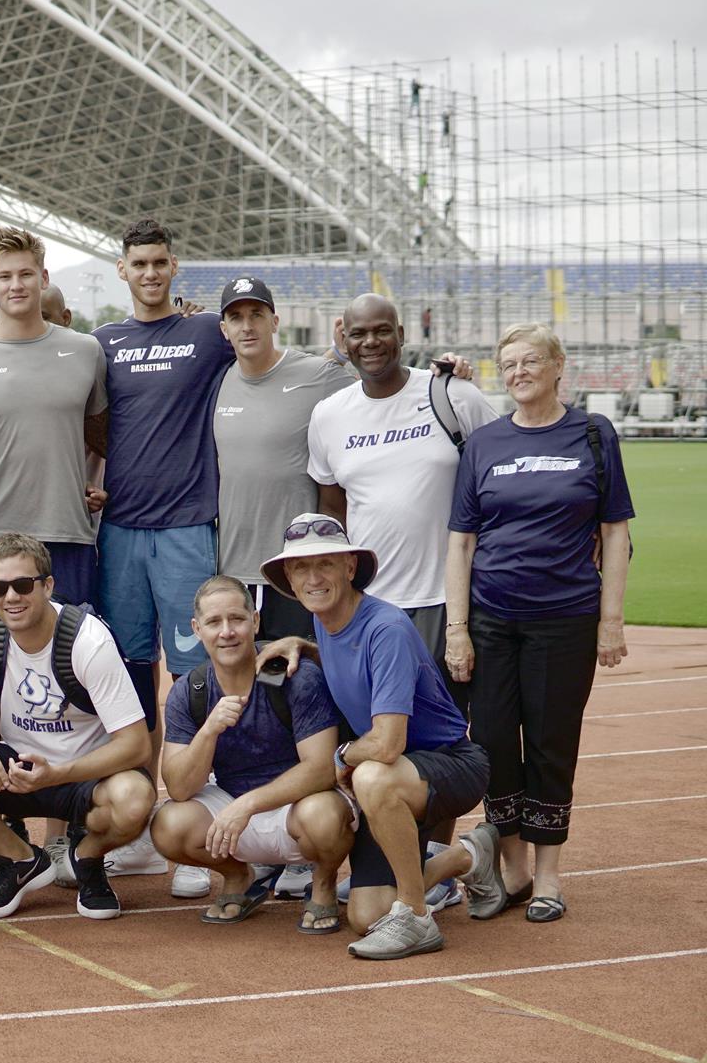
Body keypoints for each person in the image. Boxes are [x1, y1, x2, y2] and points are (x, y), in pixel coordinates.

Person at [445, 323, 634, 924]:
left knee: (552, 744)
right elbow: (461, 543)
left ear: (558, 366)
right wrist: (457, 627)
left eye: (531, 361)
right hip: (493, 618)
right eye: (509, 364)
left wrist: (612, 621)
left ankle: (549, 876)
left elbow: (615, 531)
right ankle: (514, 871)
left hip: (567, 619)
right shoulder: (486, 444)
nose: (520, 372)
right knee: (495, 742)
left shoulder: (594, 434)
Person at [0, 227, 108, 895]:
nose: (16, 284)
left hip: (69, 538)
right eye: (3, 275)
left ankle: (65, 837)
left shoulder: (86, 351)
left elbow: (103, 434)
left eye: (27, 273)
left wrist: (103, 482)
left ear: (43, 277)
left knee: (72, 690)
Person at [258, 514, 500, 959]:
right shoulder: (323, 619)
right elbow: (349, 655)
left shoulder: (385, 628)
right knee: (366, 915)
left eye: (325, 564)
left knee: (369, 774)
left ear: (350, 568)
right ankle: (467, 856)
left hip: (448, 765)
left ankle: (415, 917)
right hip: (394, 779)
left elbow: (387, 744)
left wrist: (342, 757)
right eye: (300, 568)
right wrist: (302, 646)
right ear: (288, 577)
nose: (313, 578)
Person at [89, 218, 233, 897]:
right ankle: (143, 831)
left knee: (196, 681)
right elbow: (88, 420)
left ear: (176, 267)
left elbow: (266, 358)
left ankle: (198, 832)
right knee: (128, 684)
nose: (149, 272)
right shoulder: (102, 343)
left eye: (159, 262)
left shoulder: (207, 334)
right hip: (119, 530)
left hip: (185, 530)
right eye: (137, 263)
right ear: (122, 270)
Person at [0, 535, 153, 921]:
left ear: (48, 586)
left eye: (22, 585)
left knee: (135, 798)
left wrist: (60, 774)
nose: (10, 597)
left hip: (81, 775)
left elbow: (136, 745)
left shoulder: (89, 639)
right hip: (15, 771)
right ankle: (19, 858)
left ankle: (87, 858)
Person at [306, 293, 498, 695]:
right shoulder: (328, 414)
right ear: (345, 342)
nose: (370, 342)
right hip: (370, 603)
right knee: (380, 722)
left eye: (382, 331)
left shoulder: (453, 394)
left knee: (455, 726)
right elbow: (332, 507)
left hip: (450, 601)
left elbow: (504, 473)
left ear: (402, 335)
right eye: (358, 333)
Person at [149, 577, 356, 931]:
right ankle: (238, 877)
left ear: (255, 621)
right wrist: (209, 730)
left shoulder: (292, 676)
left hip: (297, 805)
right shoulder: (191, 690)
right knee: (169, 825)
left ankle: (322, 883)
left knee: (324, 816)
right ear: (197, 630)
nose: (227, 632)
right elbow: (180, 788)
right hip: (233, 803)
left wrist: (246, 806)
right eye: (214, 623)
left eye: (237, 619)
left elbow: (321, 769)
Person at [211, 277, 357, 642]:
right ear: (223, 329)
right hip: (234, 570)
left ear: (274, 322)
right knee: (244, 688)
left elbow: (377, 393)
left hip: (297, 566)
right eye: (237, 317)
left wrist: (441, 380)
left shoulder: (319, 375)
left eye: (257, 315)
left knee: (303, 680)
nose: (247, 326)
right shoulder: (218, 382)